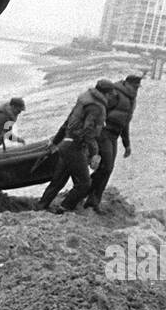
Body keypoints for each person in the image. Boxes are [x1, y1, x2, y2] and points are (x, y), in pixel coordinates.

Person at [36, 80, 115, 214]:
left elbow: (67, 122)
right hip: (75, 146)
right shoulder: (97, 107)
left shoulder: (83, 100)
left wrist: (56, 141)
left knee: (58, 181)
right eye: (110, 94)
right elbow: (88, 131)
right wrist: (94, 152)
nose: (111, 97)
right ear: (106, 94)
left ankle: (41, 206)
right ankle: (64, 208)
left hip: (65, 144)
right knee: (84, 184)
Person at [86, 74, 141, 212]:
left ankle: (91, 197)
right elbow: (99, 110)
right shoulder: (116, 94)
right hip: (104, 133)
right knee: (107, 167)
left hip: (113, 136)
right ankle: (90, 197)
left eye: (138, 87)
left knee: (106, 168)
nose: (136, 89)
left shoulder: (130, 99)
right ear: (127, 83)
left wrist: (126, 144)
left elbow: (124, 123)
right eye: (134, 86)